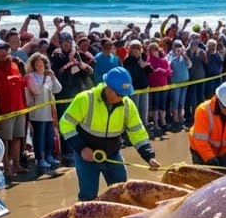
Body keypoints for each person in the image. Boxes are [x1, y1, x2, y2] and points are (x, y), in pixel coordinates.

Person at [58, 66, 161, 201]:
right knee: (88, 196)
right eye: (120, 94)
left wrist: (149, 156)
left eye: (124, 94)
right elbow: (65, 124)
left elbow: (137, 131)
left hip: (112, 154)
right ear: (109, 89)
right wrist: (81, 148)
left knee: (121, 194)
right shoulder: (85, 99)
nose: (123, 98)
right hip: (86, 155)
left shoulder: (127, 105)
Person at [0, 41, 28, 176]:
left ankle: (16, 165)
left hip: (19, 108)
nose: (2, 52)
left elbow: (22, 83)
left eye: (5, 49)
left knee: (17, 137)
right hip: (3, 109)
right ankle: (6, 167)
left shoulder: (14, 65)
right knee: (4, 139)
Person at [189, 81, 226, 170]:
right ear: (218, 100)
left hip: (223, 151)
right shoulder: (203, 111)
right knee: (203, 180)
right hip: (200, 151)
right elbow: (200, 140)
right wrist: (210, 158)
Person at [24, 53, 63, 170]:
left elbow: (58, 89)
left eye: (42, 64)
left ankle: (49, 155)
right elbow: (36, 91)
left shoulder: (48, 77)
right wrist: (43, 80)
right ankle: (40, 159)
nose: (40, 67)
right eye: (38, 64)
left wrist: (53, 77)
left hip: (49, 112)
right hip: (37, 112)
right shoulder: (30, 76)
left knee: (49, 135)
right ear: (33, 65)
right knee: (39, 136)